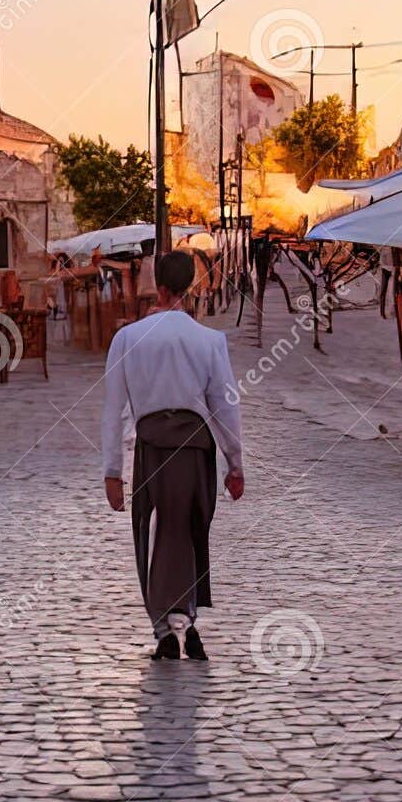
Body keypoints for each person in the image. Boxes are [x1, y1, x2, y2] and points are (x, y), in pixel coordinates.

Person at [101, 251, 245, 660]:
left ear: (158, 287)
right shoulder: (209, 341)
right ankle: (191, 618)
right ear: (189, 287)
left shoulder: (127, 339)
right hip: (196, 449)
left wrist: (113, 472)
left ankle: (163, 626)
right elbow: (225, 405)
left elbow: (114, 409)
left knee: (152, 533)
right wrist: (235, 464)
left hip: (151, 450)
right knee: (191, 528)